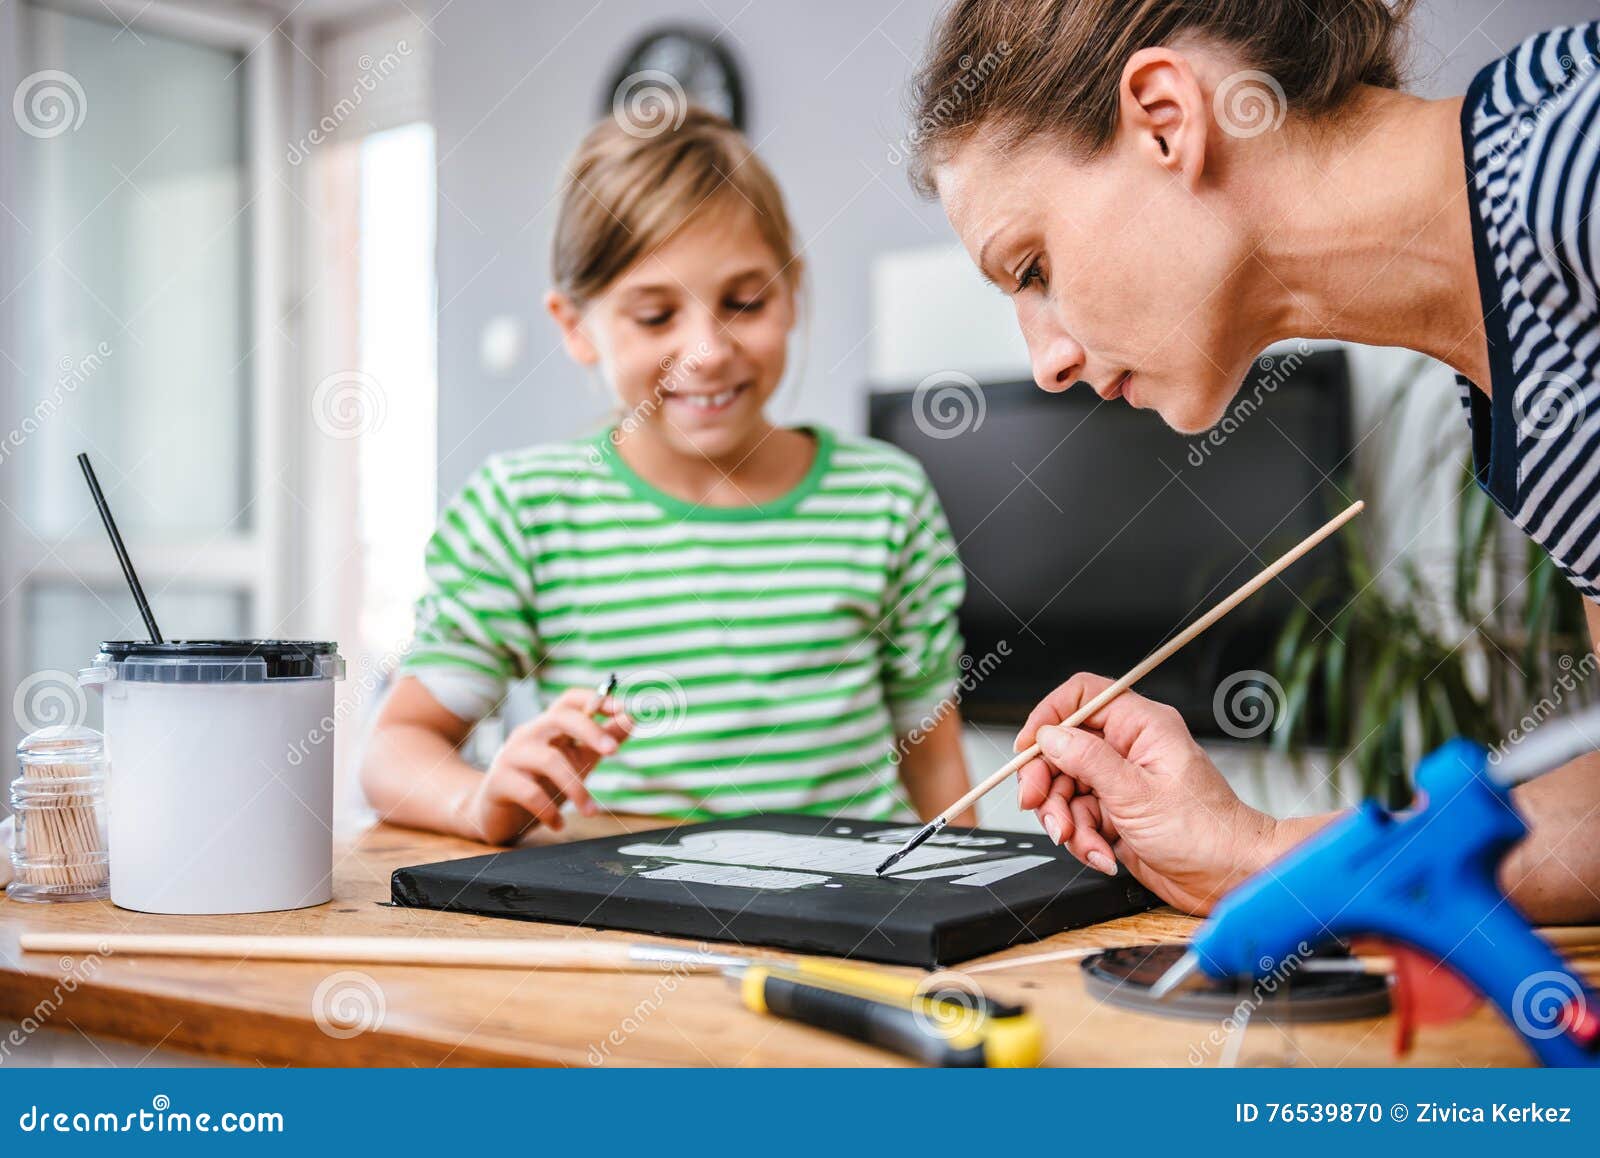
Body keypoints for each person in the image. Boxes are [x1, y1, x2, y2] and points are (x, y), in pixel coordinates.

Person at [906, 0, 1600, 921]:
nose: (1047, 359)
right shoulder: (1522, 403)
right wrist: (1253, 854)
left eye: (1032, 268)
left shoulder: (1574, 160)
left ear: (1165, 119)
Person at [362, 109, 975, 843]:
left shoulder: (886, 499)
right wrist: (479, 801)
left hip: (850, 928)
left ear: (792, 290)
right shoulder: (524, 510)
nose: (707, 351)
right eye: (655, 317)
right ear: (574, 327)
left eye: (745, 302)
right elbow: (394, 751)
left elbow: (935, 761)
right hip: (629, 926)